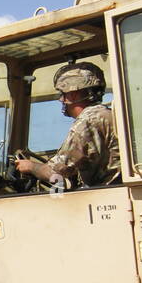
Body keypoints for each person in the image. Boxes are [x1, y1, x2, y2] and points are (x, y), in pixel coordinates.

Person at [15, 61, 120, 189]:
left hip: (105, 193)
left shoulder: (87, 121)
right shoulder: (105, 114)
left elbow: (57, 171)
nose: (61, 100)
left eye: (62, 94)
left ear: (73, 94)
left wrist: (30, 167)